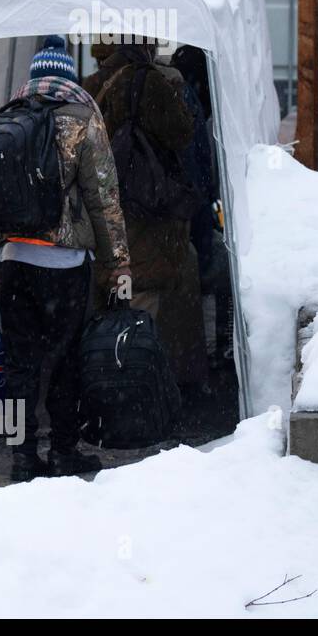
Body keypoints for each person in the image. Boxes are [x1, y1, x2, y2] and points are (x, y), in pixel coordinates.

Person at [0, 36, 131, 482]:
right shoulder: (83, 117)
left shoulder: (9, 117)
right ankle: (64, 450)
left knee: (19, 365)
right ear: (66, 75)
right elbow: (103, 197)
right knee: (65, 362)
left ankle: (23, 457)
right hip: (64, 265)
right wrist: (118, 260)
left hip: (14, 261)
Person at [83, 39, 209, 393]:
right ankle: (135, 386)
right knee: (143, 296)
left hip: (103, 205)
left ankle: (101, 381)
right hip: (145, 206)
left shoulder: (91, 85)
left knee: (107, 293)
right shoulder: (150, 80)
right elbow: (182, 133)